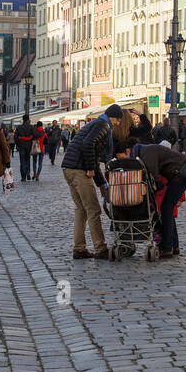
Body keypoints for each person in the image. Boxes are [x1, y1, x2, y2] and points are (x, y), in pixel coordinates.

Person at [60, 105, 122, 260]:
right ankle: (100, 248)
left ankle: (79, 249)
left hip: (68, 168)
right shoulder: (103, 125)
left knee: (81, 209)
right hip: (79, 170)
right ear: (113, 117)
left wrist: (101, 183)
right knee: (93, 210)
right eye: (118, 120)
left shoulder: (95, 123)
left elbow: (93, 155)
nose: (117, 124)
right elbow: (88, 144)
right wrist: (89, 169)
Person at [139, 142, 186, 257]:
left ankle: (169, 246)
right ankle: (174, 246)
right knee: (170, 222)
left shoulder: (165, 169)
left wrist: (180, 199)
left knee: (167, 221)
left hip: (162, 201)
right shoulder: (163, 168)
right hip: (159, 201)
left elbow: (176, 185)